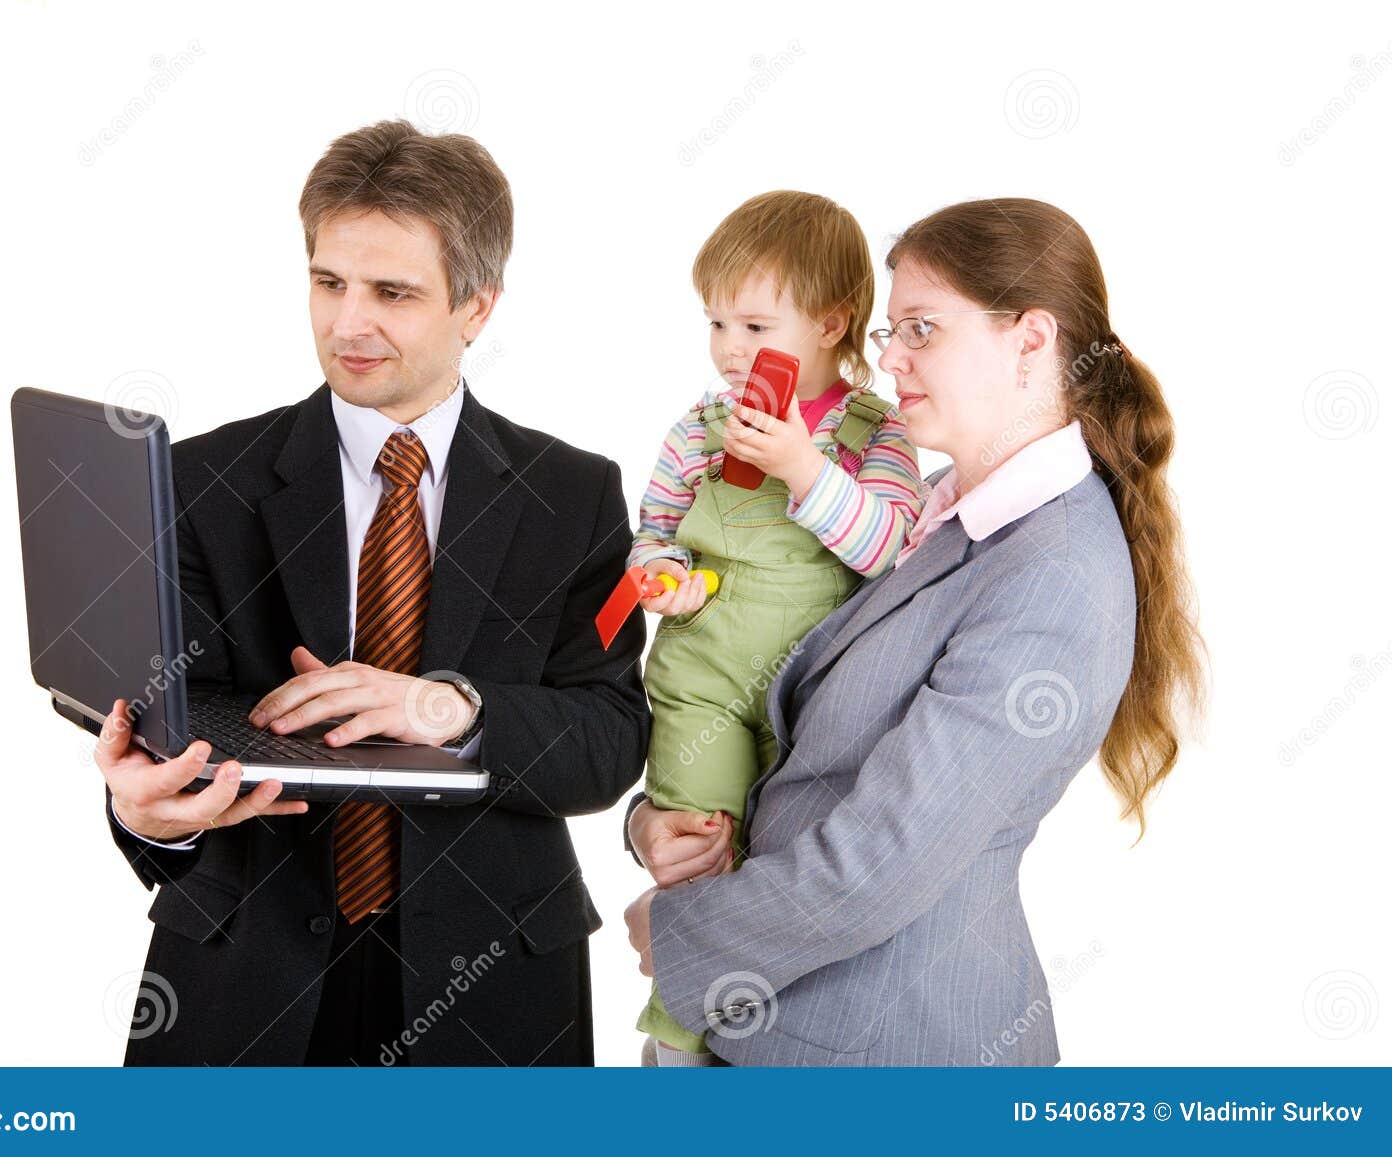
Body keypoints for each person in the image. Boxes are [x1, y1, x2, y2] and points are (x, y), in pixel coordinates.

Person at [96, 119, 649, 1066]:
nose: (349, 323)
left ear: (477, 306)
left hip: (495, 982)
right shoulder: (200, 483)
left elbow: (607, 742)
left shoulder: (574, 494)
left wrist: (447, 706)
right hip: (244, 978)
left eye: (392, 292)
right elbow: (174, 724)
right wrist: (145, 816)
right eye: (328, 282)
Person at [624, 197, 1205, 1065]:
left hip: (888, 1051)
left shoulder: (1052, 574)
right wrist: (653, 822)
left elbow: (879, 862)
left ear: (1031, 340)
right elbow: (796, 745)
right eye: (892, 328)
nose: (886, 356)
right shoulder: (941, 518)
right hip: (775, 1027)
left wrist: (681, 934)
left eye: (922, 330)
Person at [624, 190, 921, 1064]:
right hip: (705, 683)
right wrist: (664, 576)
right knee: (704, 850)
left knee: (793, 878)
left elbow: (895, 550)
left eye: (754, 325)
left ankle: (777, 1047)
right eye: (715, 323)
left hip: (823, 699)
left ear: (832, 323)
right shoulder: (698, 429)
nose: (728, 349)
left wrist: (801, 466)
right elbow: (654, 532)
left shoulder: (881, 436)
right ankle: (677, 1039)